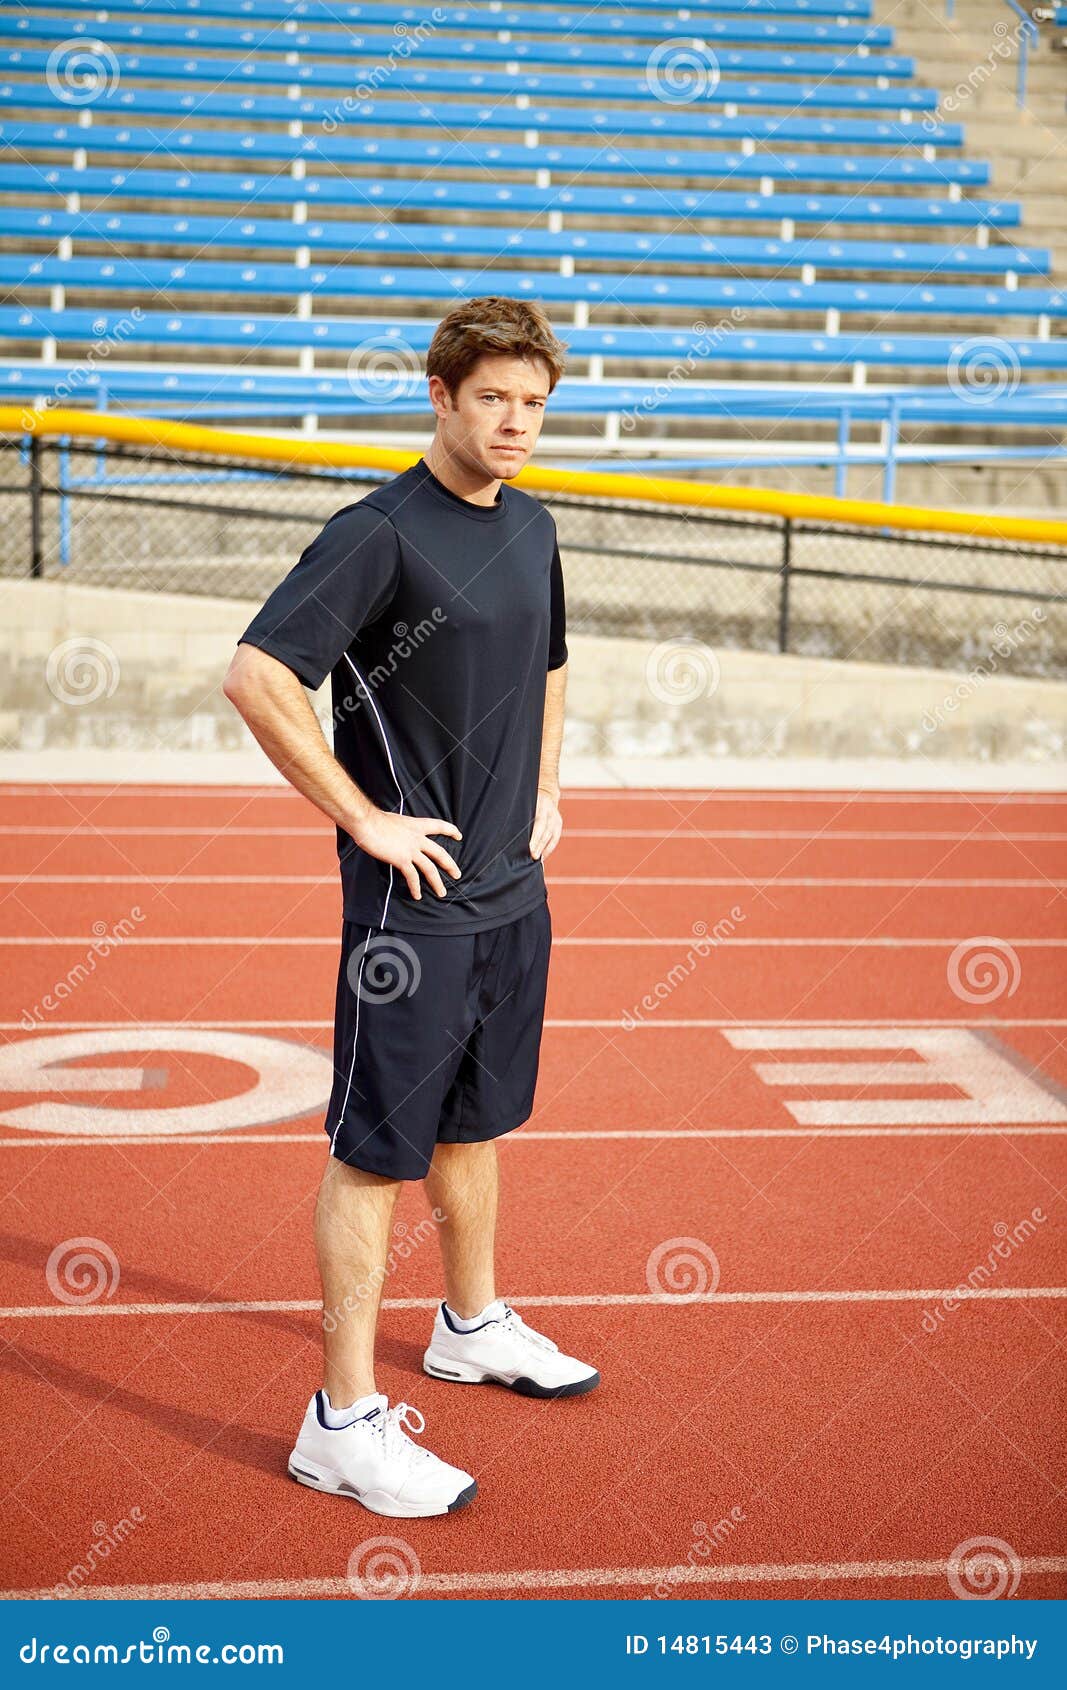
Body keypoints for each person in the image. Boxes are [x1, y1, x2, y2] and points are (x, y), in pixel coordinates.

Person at [223, 296, 599, 1519]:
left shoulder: (533, 525)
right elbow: (258, 672)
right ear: (438, 396)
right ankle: (339, 1420)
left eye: (534, 402)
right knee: (373, 1154)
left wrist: (544, 789)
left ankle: (470, 1324)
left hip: (508, 890)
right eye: (493, 398)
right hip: (411, 905)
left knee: (477, 1122)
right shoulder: (377, 533)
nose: (516, 423)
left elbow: (546, 667)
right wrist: (363, 817)